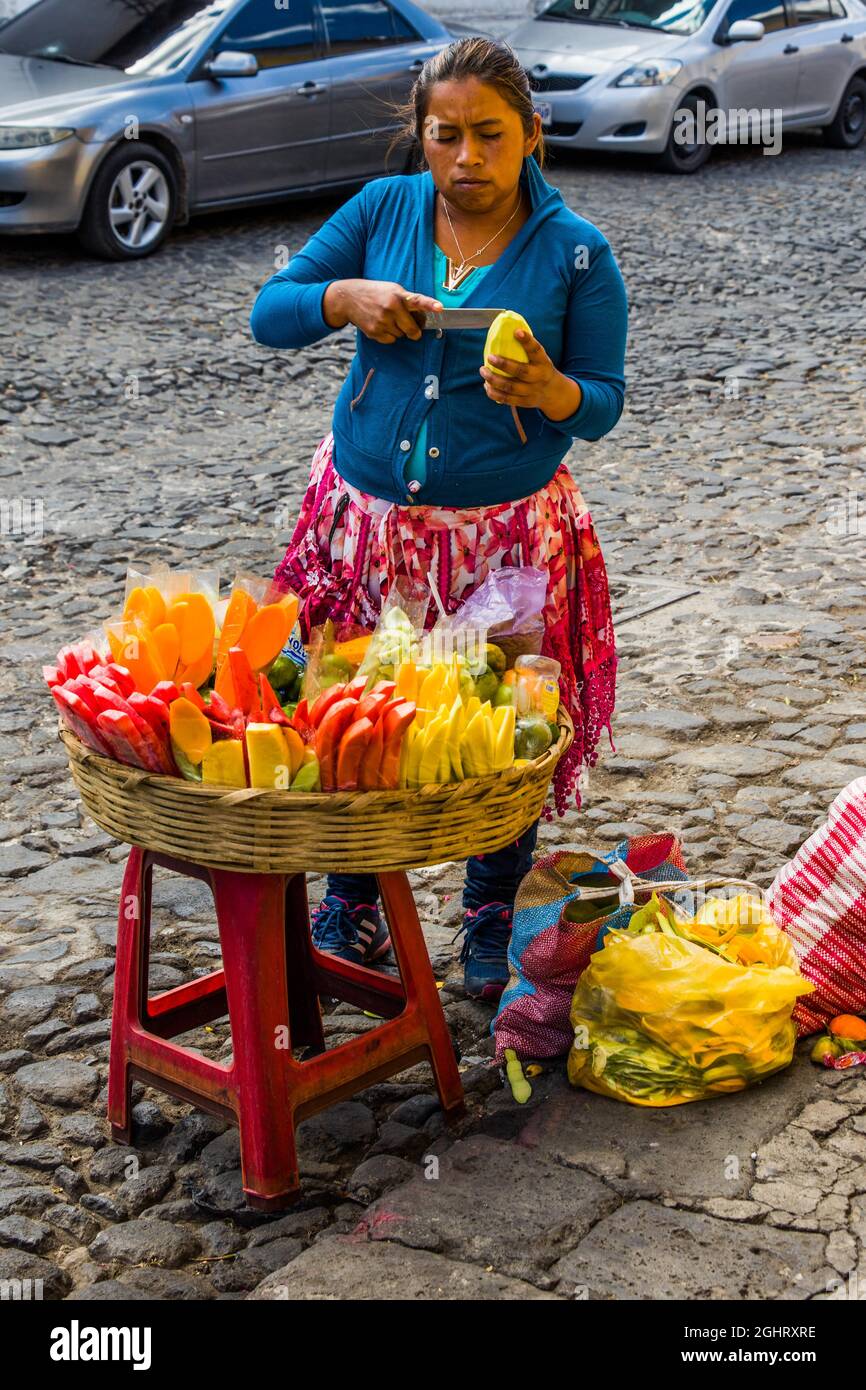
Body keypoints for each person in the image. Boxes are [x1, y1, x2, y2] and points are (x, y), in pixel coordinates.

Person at [250, 37, 627, 1001]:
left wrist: (547, 388)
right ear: (420, 137)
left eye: (490, 136)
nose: (467, 158)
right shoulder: (383, 211)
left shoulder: (578, 251)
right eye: (445, 135)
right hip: (362, 527)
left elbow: (605, 399)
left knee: (502, 723)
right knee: (351, 712)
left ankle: (492, 906)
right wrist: (345, 297)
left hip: (502, 536)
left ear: (532, 135)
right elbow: (269, 310)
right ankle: (355, 894)